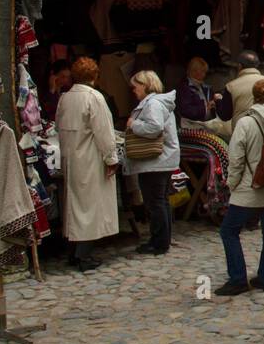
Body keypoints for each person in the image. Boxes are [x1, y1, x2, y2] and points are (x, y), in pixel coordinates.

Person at [213, 77, 264, 295]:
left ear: (255, 97)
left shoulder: (246, 123)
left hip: (248, 188)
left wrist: (232, 184)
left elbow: (236, 159)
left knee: (228, 231)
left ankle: (237, 278)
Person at [55, 58, 120, 271]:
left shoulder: (65, 98)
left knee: (75, 206)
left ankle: (74, 252)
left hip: (71, 158)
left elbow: (59, 127)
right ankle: (83, 255)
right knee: (90, 207)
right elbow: (104, 132)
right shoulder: (94, 98)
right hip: (90, 158)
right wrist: (111, 159)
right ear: (94, 76)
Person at [122, 70, 180, 255]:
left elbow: (154, 128)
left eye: (136, 84)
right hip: (162, 159)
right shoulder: (157, 102)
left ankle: (159, 242)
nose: (133, 88)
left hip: (156, 160)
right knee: (160, 201)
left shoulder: (153, 104)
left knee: (155, 202)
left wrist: (133, 125)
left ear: (146, 84)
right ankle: (161, 240)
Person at [176, 56, 226, 130]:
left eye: (205, 72)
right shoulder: (184, 88)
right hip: (191, 128)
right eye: (202, 71)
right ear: (194, 71)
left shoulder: (206, 87)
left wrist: (215, 104)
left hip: (206, 126)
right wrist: (205, 108)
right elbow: (185, 110)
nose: (204, 74)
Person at [218, 50, 263, 126]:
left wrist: (218, 101)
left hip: (241, 133)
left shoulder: (231, 86)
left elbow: (225, 116)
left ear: (239, 66)